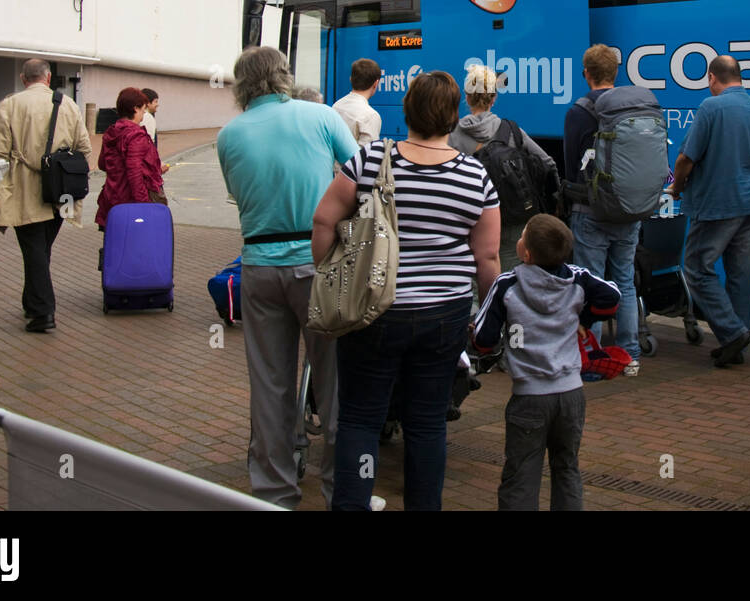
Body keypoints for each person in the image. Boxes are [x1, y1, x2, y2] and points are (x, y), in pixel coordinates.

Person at [313, 70, 501, 511]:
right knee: (428, 423)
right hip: (444, 315)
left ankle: (353, 501)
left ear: (408, 109)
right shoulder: (475, 176)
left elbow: (324, 221)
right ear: (452, 116)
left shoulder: (370, 160)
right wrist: (489, 316)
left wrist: (330, 273)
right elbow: (487, 259)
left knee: (360, 417)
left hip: (373, 310)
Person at [216, 46, 360, 510]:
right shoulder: (319, 116)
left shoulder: (228, 135)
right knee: (336, 384)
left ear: (241, 85)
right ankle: (343, 491)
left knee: (269, 384)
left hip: (258, 266)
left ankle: (275, 492)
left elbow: (239, 196)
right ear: (284, 76)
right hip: (319, 262)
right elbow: (363, 174)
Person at [472, 214, 620, 511]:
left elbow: (482, 338)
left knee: (521, 472)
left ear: (525, 252)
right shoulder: (577, 279)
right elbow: (612, 297)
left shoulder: (507, 284)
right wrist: (583, 318)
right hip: (571, 393)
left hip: (529, 396)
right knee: (566, 468)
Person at [665, 56, 750, 368]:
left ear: (712, 77)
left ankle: (732, 332)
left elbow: (687, 157)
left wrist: (678, 187)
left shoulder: (711, 107)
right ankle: (733, 343)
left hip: (717, 203)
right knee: (740, 275)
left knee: (697, 267)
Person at [0, 57, 92, 333]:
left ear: (24, 79)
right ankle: (31, 302)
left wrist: (0, 190)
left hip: (25, 189)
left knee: (34, 250)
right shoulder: (68, 104)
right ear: (48, 78)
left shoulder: (10, 105)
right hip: (61, 192)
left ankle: (43, 312)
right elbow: (84, 146)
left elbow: (0, 155)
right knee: (40, 250)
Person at [562, 44, 642, 376]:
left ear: (586, 74)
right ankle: (630, 353)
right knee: (624, 280)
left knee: (589, 283)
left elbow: (570, 167)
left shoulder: (579, 111)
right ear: (615, 73)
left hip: (590, 210)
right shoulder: (632, 108)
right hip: (628, 207)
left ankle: (592, 361)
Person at [449, 63, 557, 271]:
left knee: (475, 286)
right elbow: (548, 163)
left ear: (467, 97)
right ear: (494, 98)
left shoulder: (452, 135)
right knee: (509, 281)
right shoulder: (511, 130)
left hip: (472, 222)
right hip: (511, 218)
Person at [95, 87, 166, 230]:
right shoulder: (136, 136)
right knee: (136, 247)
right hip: (130, 202)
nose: (143, 114)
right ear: (135, 109)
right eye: (142, 110)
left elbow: (102, 164)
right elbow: (135, 174)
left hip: (110, 198)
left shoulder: (111, 132)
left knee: (114, 246)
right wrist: (143, 207)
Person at [332, 58, 382, 146]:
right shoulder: (370, 115)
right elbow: (368, 155)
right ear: (376, 84)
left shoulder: (336, 106)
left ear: (351, 79)